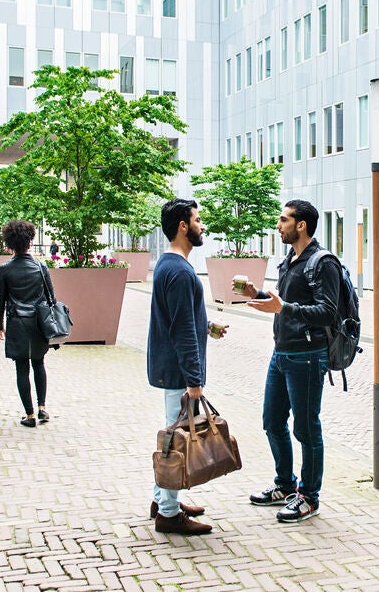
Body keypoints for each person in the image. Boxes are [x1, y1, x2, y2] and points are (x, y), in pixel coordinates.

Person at [235, 199, 340, 523]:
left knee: (306, 428)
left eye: (284, 220)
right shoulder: (289, 261)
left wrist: (283, 308)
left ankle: (309, 496)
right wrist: (262, 295)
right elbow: (288, 303)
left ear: (301, 225)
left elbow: (328, 310)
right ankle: (285, 485)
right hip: (281, 353)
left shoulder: (323, 262)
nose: (278, 225)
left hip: (307, 356)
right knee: (272, 420)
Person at [148, 198, 227, 536]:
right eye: (197, 220)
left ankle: (162, 499)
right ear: (183, 226)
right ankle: (167, 512)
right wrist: (194, 379)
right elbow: (180, 329)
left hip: (171, 368)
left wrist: (208, 327)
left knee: (173, 436)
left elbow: (181, 318)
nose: (201, 225)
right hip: (179, 371)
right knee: (175, 442)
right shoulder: (179, 272)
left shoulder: (169, 266)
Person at [0, 220, 54, 428]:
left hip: (17, 323)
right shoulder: (41, 266)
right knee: (39, 363)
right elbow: (51, 298)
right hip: (38, 323)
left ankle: (29, 416)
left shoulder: (4, 270)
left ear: (9, 243)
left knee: (21, 368)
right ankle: (42, 407)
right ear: (30, 240)